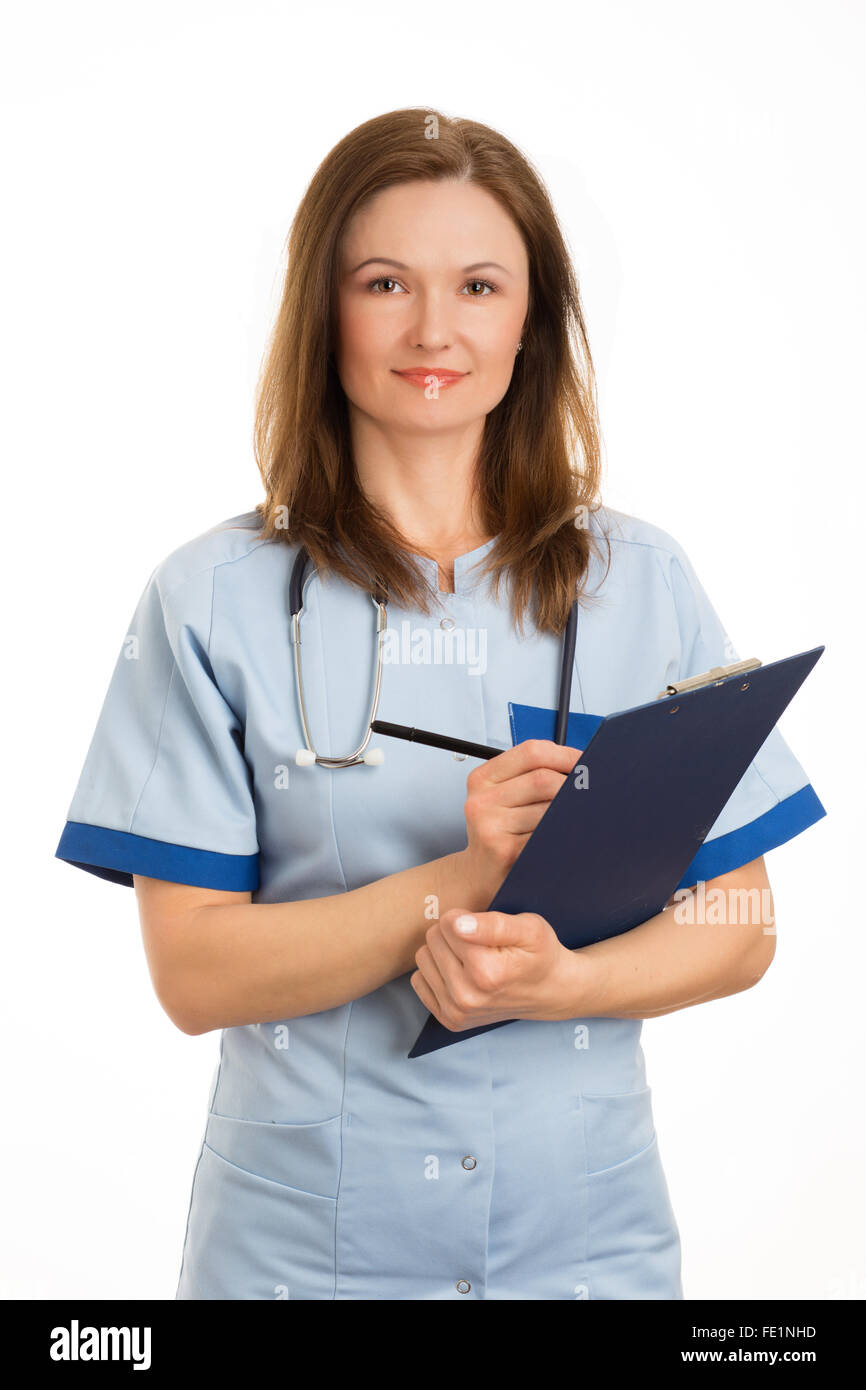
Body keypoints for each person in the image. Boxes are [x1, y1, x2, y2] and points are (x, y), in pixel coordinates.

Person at [55, 108, 826, 1300]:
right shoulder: (210, 598)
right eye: (383, 283)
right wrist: (462, 881)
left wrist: (560, 984)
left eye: (476, 285)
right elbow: (193, 975)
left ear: (530, 317)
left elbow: (740, 921)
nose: (431, 330)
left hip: (581, 1247)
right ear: (324, 311)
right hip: (305, 1256)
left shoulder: (641, 580)